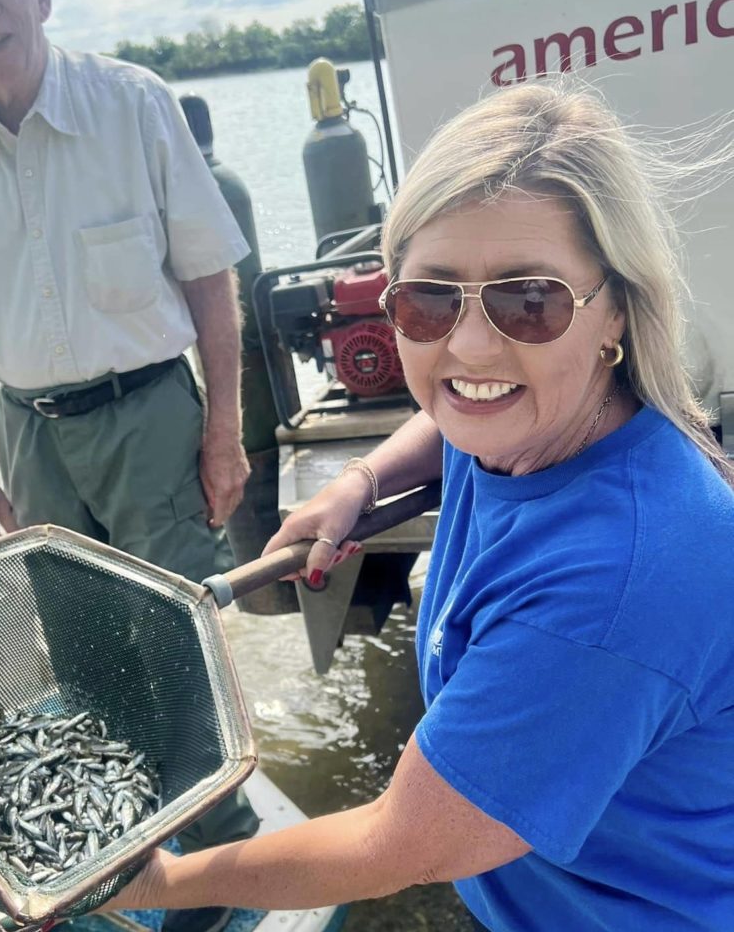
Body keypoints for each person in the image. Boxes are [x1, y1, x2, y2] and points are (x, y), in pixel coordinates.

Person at [104, 81, 734, 931]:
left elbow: (395, 846)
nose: (470, 345)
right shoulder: (527, 414)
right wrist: (357, 483)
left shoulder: (612, 584)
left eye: (530, 301)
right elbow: (456, 409)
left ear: (613, 309)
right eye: (427, 299)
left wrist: (156, 883)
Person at [0, 0, 257, 926]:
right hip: (27, 427)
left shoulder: (133, 103)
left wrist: (225, 429)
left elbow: (210, 281)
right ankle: (135, 831)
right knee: (83, 647)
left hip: (151, 415)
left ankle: (223, 857)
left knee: (178, 628)